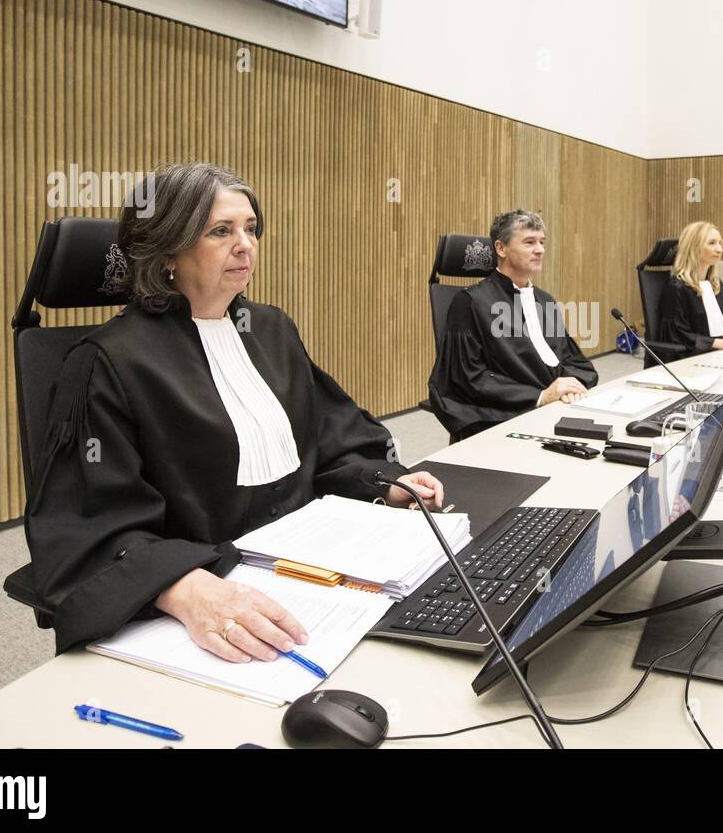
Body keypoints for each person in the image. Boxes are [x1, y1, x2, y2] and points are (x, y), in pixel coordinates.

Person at [26, 163, 444, 661]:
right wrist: (182, 587)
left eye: (251, 228)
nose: (245, 244)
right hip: (209, 590)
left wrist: (381, 479)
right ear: (167, 252)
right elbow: (93, 525)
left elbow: (330, 438)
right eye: (220, 231)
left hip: (311, 568)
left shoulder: (271, 329)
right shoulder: (106, 362)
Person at [427, 210, 598, 440]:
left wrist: (568, 386)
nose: (540, 249)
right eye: (529, 242)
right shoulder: (469, 303)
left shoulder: (545, 300)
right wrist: (539, 396)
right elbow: (469, 378)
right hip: (507, 422)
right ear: (501, 248)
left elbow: (569, 358)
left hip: (557, 410)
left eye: (542, 242)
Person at [658, 221, 723, 354]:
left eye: (720, 243)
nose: (719, 249)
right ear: (694, 248)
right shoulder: (676, 288)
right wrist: (719, 343)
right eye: (712, 243)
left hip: (721, 353)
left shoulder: (715, 284)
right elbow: (677, 336)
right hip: (690, 360)